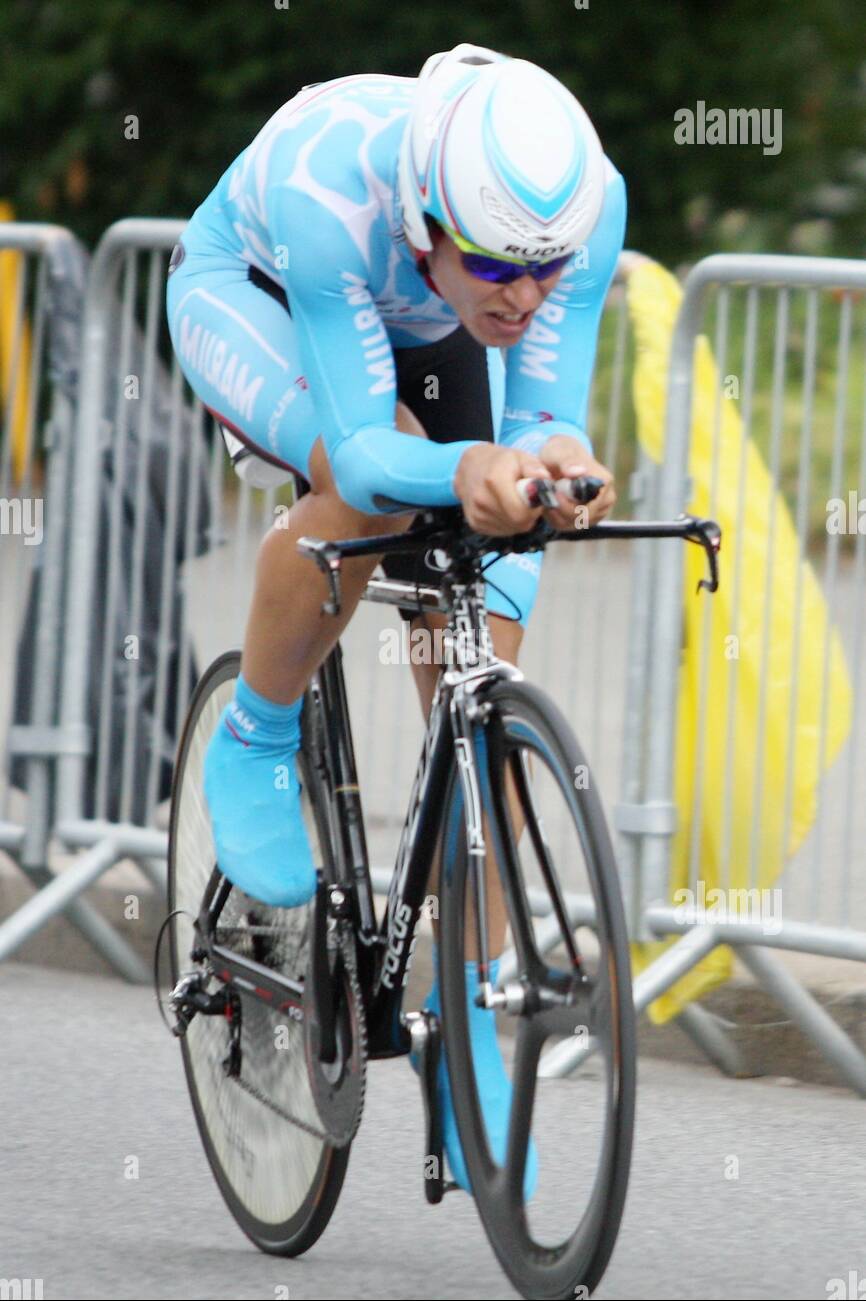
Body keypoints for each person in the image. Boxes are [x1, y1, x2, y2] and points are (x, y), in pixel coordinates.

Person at [166, 40, 626, 1197]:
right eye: (497, 265)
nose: (525, 293)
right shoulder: (338, 191)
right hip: (258, 291)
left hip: (421, 328)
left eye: (546, 267)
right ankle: (258, 734)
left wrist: (556, 469)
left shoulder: (583, 202)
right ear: (427, 218)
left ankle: (464, 1012)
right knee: (377, 480)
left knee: (484, 631)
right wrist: (468, 462)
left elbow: (546, 413)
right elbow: (373, 450)